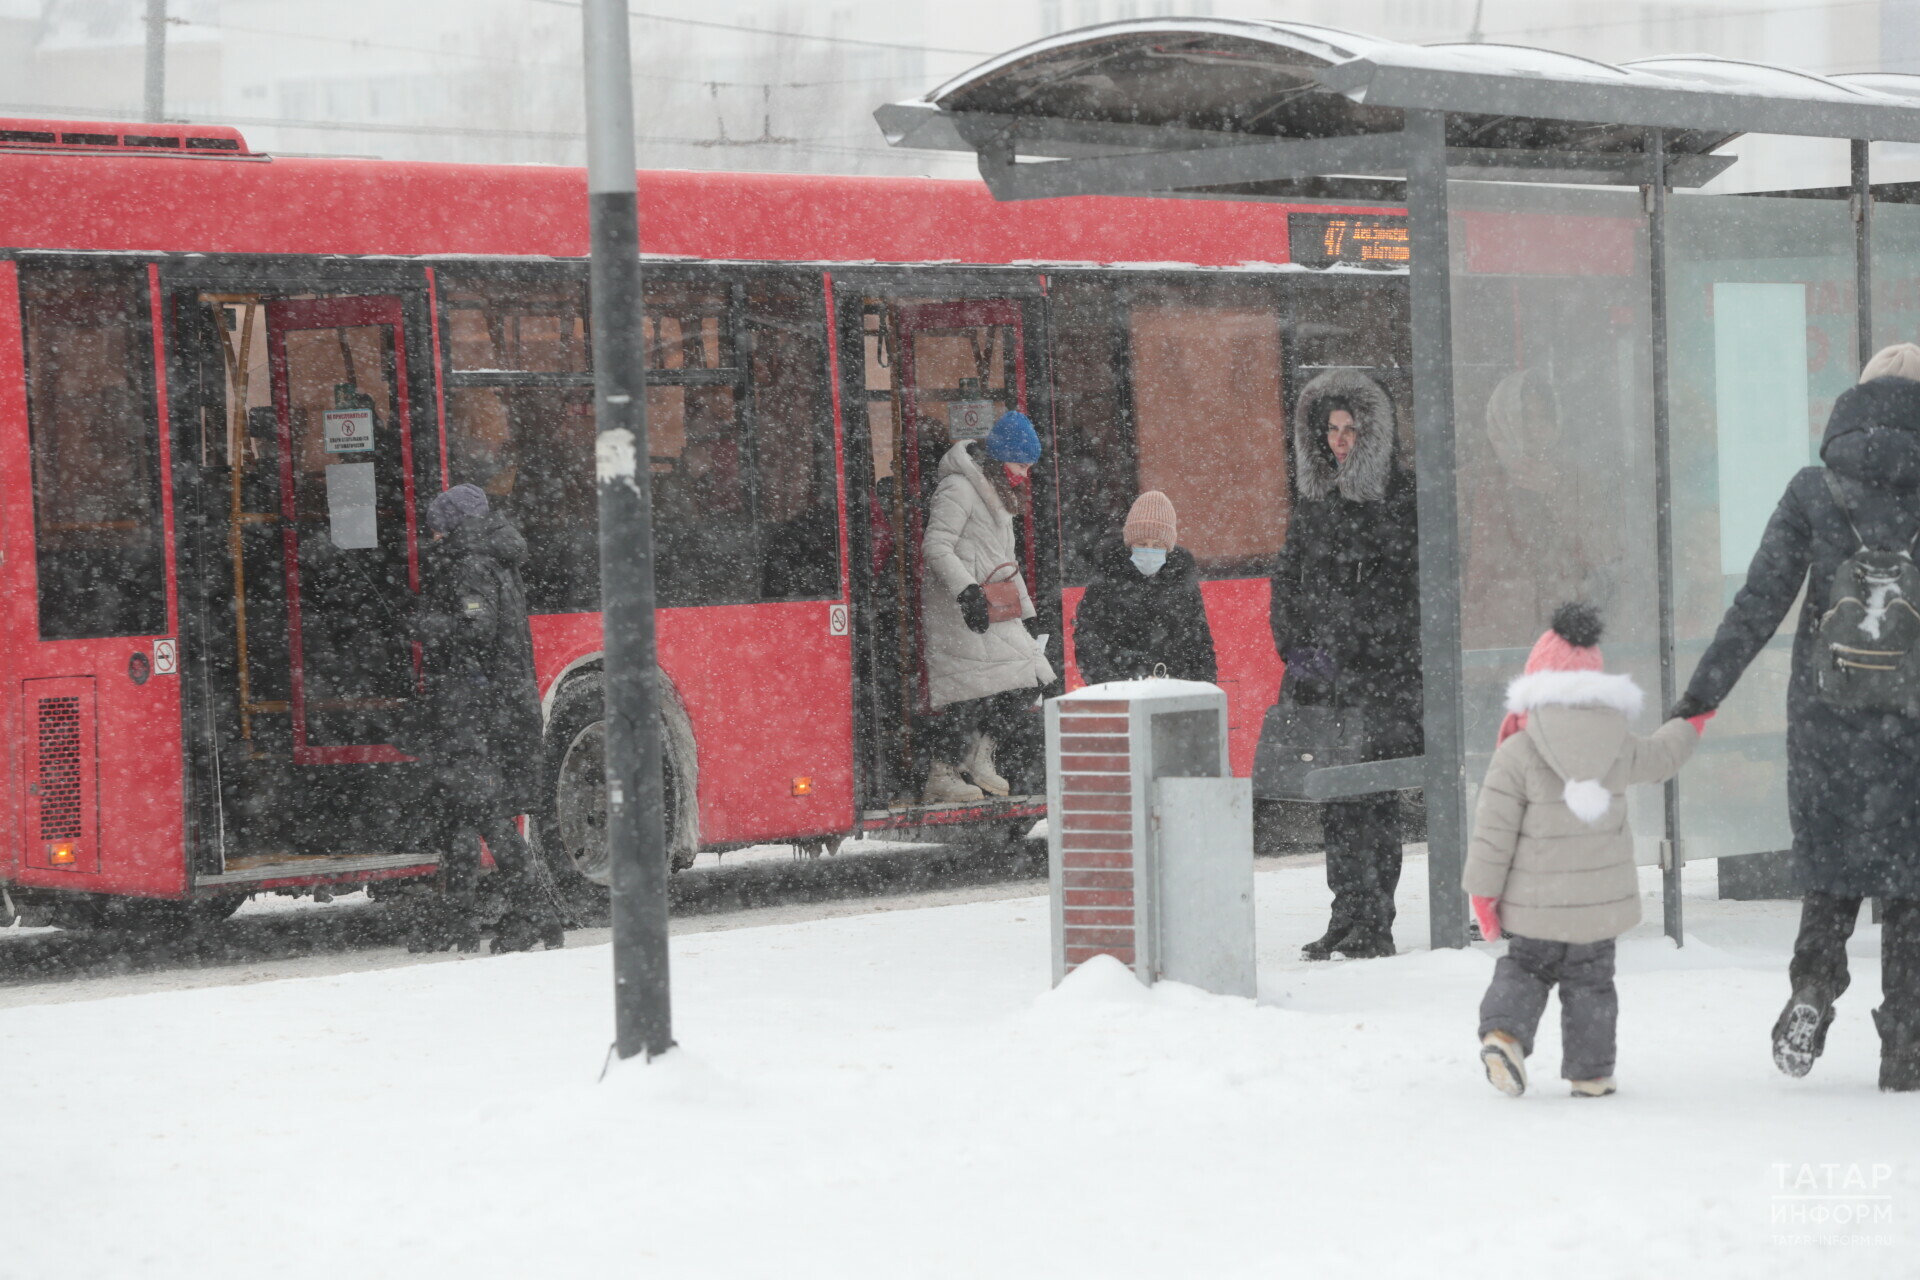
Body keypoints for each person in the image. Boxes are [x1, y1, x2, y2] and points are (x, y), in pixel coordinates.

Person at [1673, 343, 1920, 1092]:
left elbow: (1758, 604)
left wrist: (1701, 696)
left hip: (1828, 719)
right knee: (1912, 884)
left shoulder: (1814, 489)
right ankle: (1906, 1043)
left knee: (1833, 866)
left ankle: (1814, 982)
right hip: (1913, 724)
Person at [1467, 604, 1704, 1099]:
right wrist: (1692, 719)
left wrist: (1484, 897)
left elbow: (1493, 832)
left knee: (1526, 968)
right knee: (1592, 982)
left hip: (1537, 904)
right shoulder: (1618, 742)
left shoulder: (1519, 750)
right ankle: (1591, 1072)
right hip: (1599, 905)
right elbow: (1663, 756)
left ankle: (1505, 1035)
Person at [1270, 369, 1421, 960]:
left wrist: (1356, 646)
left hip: (1380, 679)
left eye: (1351, 429)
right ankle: (1345, 912)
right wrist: (1298, 647)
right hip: (1326, 677)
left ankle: (1374, 921)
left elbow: (1405, 592)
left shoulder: (1399, 497)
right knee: (1336, 800)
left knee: (1373, 799)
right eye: (1331, 429)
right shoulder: (1315, 502)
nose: (1340, 440)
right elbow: (1288, 577)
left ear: (1372, 434)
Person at [407, 483, 565, 954]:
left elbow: (476, 632)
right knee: (459, 814)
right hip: (487, 705)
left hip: (475, 708)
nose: (432, 535)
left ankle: (537, 914)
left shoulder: (471, 563)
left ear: (453, 525)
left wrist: (423, 624)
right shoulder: (493, 558)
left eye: (437, 525)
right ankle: (458, 922)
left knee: (485, 813)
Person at [921, 410, 1056, 803]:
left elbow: (1004, 561)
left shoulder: (996, 493)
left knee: (1029, 676)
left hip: (990, 610)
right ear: (999, 459)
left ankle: (977, 756)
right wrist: (966, 592)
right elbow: (936, 545)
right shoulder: (960, 489)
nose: (1024, 474)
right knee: (973, 689)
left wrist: (1026, 613)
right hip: (961, 612)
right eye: (1019, 464)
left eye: (1029, 467)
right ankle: (945, 771)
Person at [1073, 490, 1217, 686]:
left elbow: (1198, 638)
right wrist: (1111, 687)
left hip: (1177, 690)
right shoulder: (1108, 573)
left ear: (1168, 548)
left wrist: (1204, 688)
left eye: (1157, 545)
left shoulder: (1182, 574)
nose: (1149, 550)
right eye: (1141, 543)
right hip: (1123, 689)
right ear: (1129, 544)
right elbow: (1089, 639)